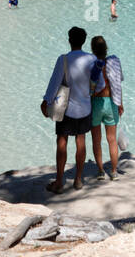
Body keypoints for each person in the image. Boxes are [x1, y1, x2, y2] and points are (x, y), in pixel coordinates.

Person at [41, 26, 95, 193]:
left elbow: (55, 82)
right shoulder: (92, 59)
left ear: (69, 40)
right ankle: (78, 180)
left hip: (66, 108)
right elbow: (97, 83)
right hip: (85, 107)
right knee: (81, 140)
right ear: (84, 41)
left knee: (62, 141)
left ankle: (59, 181)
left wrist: (46, 101)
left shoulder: (63, 59)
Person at [88, 36, 124, 181]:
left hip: (95, 103)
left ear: (92, 49)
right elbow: (117, 84)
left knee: (96, 140)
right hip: (111, 102)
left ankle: (101, 171)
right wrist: (120, 103)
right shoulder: (113, 62)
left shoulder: (91, 65)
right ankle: (114, 172)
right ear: (106, 48)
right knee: (112, 139)